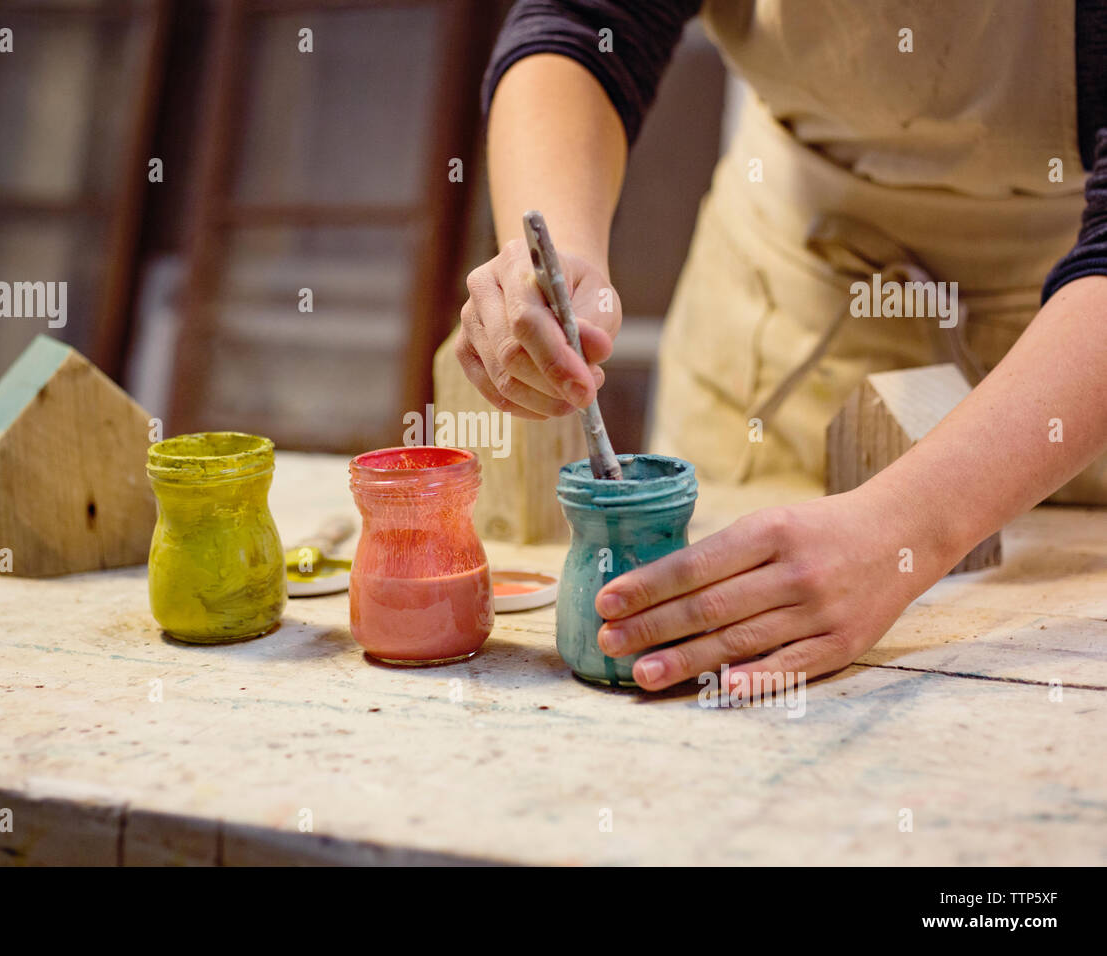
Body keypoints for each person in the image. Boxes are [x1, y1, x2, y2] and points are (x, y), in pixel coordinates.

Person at [456, 0, 1107, 692]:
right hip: (786, 280)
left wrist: (903, 532)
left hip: (1063, 364)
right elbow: (584, 20)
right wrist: (554, 264)